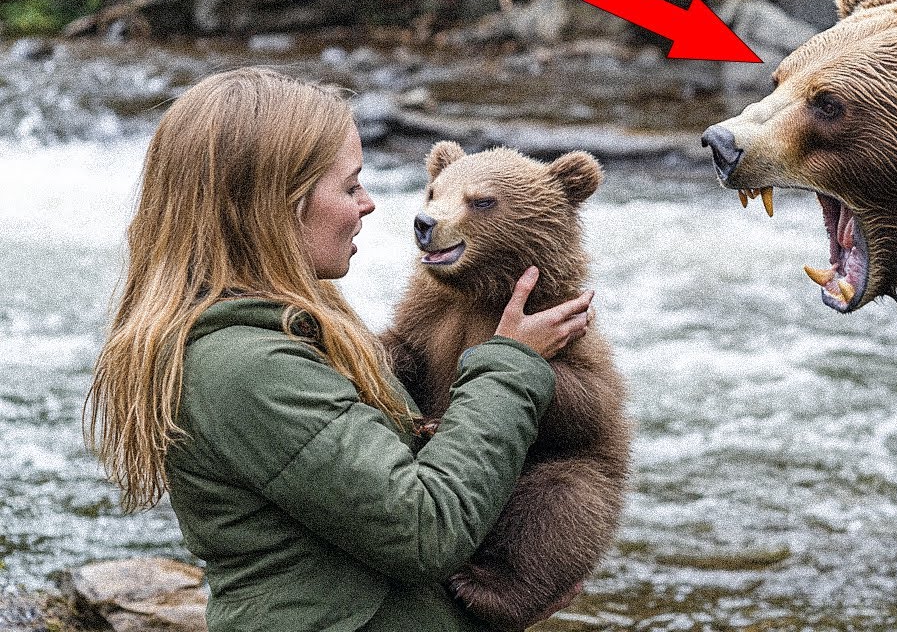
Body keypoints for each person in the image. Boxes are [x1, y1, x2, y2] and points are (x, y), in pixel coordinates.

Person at [86, 66, 593, 631]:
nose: (370, 204)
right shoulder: (248, 369)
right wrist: (510, 368)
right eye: (350, 185)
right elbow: (424, 530)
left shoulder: (287, 330)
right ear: (279, 204)